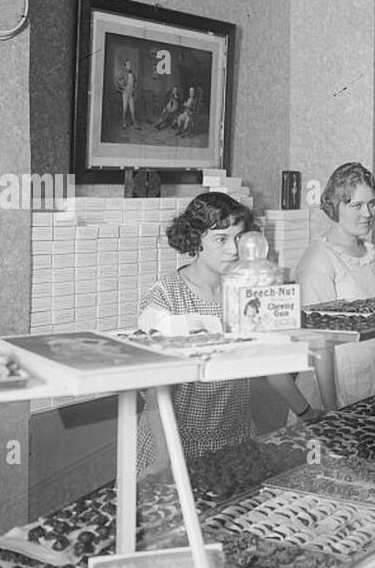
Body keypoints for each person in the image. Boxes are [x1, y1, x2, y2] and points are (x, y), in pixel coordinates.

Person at [134, 193, 317, 473]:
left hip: (236, 438)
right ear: (195, 240)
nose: (233, 250)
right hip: (173, 443)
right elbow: (156, 389)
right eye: (221, 239)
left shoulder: (248, 291)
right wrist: (163, 456)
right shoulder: (166, 296)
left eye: (239, 238)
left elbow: (269, 363)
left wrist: (307, 413)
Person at [289, 162, 375, 411]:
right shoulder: (319, 258)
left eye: (372, 203)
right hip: (338, 383)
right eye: (356, 205)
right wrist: (332, 412)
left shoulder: (372, 254)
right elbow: (318, 343)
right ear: (334, 207)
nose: (367, 213)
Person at [116, 59, 137, 130]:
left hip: (131, 93)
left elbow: (136, 82)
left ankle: (135, 124)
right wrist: (122, 88)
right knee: (124, 108)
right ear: (125, 66)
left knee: (132, 108)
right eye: (128, 64)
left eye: (130, 64)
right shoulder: (123, 73)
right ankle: (124, 123)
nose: (129, 65)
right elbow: (117, 80)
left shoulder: (133, 73)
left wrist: (134, 88)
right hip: (125, 93)